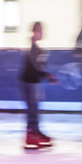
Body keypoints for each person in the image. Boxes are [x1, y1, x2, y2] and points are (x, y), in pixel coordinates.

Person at [19, 20, 57, 149]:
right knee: (32, 109)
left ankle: (35, 130)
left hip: (33, 81)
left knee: (34, 108)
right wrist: (48, 76)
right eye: (40, 31)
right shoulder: (33, 48)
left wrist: (47, 76)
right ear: (35, 32)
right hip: (29, 81)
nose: (42, 33)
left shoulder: (36, 48)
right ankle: (30, 134)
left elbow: (39, 66)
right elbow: (36, 66)